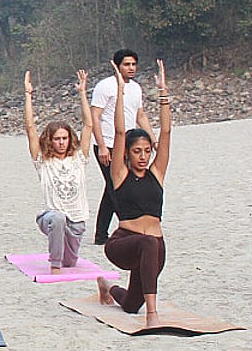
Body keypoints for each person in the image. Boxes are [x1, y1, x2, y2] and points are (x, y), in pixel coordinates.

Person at [100, 59, 171, 326]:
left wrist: (163, 93)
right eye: (137, 151)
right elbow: (119, 132)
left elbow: (165, 132)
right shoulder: (120, 175)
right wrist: (120, 92)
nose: (143, 156)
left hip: (155, 247)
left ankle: (108, 287)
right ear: (128, 154)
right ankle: (152, 314)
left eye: (146, 151)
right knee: (147, 242)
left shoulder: (157, 174)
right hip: (123, 243)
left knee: (130, 305)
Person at [23, 69, 93, 279]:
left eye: (64, 138)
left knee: (70, 262)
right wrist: (28, 95)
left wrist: (82, 93)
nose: (61, 142)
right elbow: (30, 127)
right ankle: (54, 263)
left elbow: (88, 125)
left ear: (70, 139)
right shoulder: (43, 161)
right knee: (58, 218)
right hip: (51, 217)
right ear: (50, 141)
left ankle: (61, 257)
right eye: (57, 139)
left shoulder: (79, 158)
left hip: (77, 219)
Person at [90, 48, 153, 244]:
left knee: (112, 190)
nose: (131, 68)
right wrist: (101, 146)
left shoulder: (135, 88)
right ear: (117, 66)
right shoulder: (105, 86)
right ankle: (129, 228)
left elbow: (139, 115)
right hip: (107, 144)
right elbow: (95, 116)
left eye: (134, 64)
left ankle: (101, 234)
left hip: (128, 145)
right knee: (115, 188)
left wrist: (153, 139)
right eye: (127, 64)